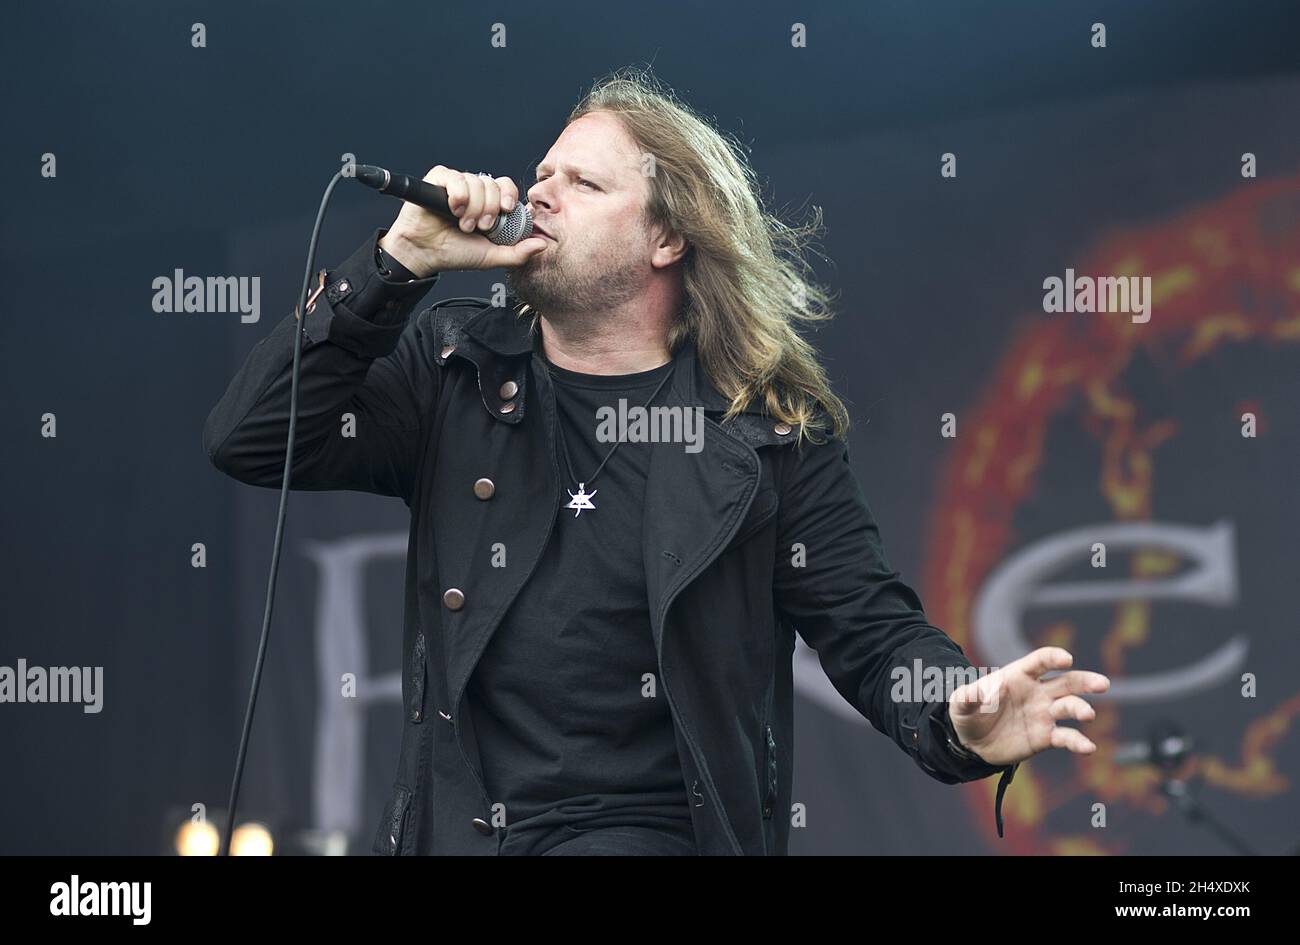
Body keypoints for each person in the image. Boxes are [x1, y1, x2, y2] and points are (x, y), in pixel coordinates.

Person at [203, 68, 1109, 855]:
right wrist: (396, 261)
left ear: (667, 239)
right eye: (542, 174)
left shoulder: (765, 433)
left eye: (584, 182)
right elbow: (251, 436)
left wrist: (954, 710)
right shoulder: (453, 369)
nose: (540, 192)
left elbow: (871, 629)